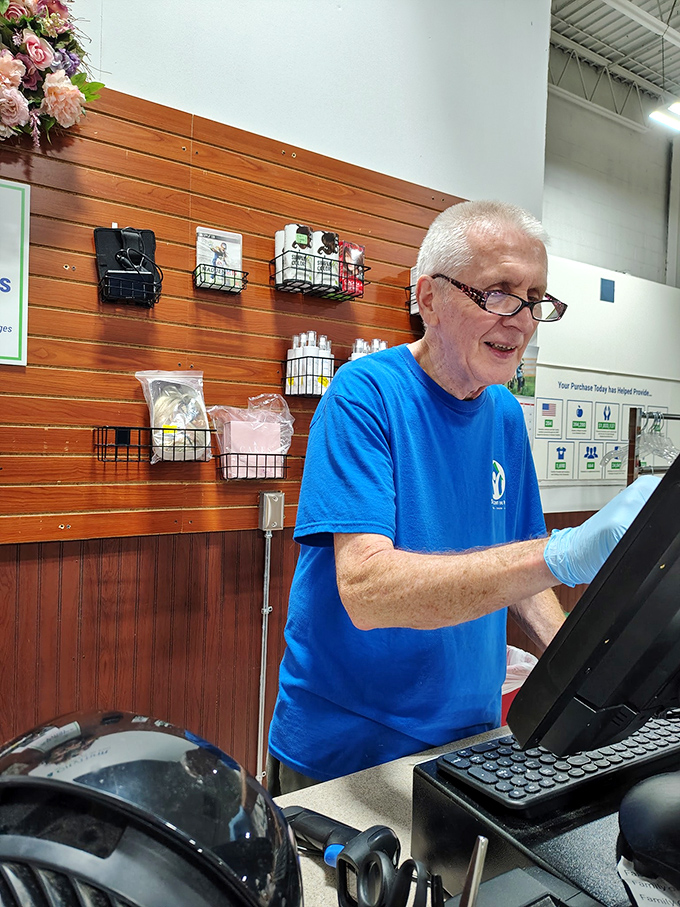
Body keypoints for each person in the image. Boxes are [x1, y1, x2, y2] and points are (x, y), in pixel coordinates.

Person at [267, 200, 659, 796]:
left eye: (535, 298)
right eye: (499, 293)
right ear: (429, 299)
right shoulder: (364, 395)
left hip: (468, 741)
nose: (522, 320)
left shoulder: (504, 413)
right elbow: (367, 592)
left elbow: (523, 572)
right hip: (351, 754)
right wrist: (558, 554)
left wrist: (586, 678)